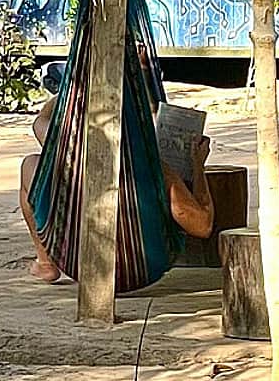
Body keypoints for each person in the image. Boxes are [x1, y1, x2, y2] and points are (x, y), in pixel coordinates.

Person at [19, 94, 216, 283]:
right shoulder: (155, 169)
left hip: (81, 264)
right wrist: (197, 164)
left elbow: (41, 122)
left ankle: (45, 261)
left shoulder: (70, 153)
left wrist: (69, 90)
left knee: (31, 163)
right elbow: (202, 225)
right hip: (139, 272)